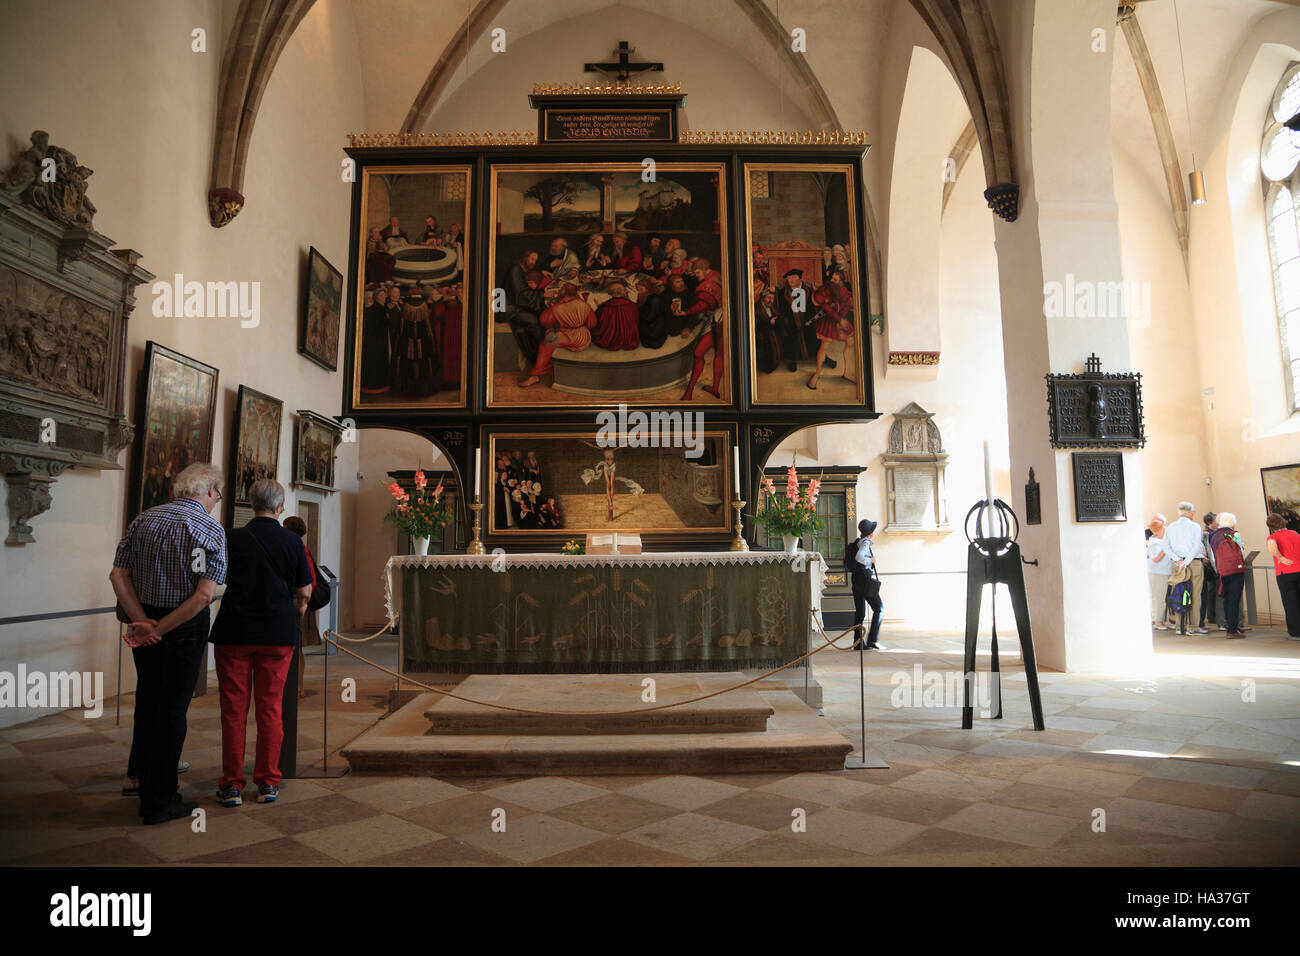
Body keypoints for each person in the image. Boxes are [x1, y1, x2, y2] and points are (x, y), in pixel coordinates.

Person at [110, 463, 227, 825]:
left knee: (147, 702)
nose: (216, 501)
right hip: (182, 626)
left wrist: (141, 622)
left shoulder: (143, 519)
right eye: (218, 495)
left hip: (146, 619)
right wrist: (159, 627)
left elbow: (118, 574)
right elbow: (203, 597)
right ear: (209, 491)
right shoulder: (208, 527)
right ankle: (160, 801)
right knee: (172, 711)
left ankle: (143, 781)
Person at [209, 480, 312, 807]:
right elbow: (305, 590)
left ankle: (232, 785)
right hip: (276, 632)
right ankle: (268, 782)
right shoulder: (292, 541)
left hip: (234, 631)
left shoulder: (231, 537)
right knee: (271, 709)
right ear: (280, 506)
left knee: (233, 711)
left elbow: (217, 578)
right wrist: (297, 607)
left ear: (250, 504)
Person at [284, 515, 323, 698]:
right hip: (296, 601)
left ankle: (298, 687)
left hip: (300, 603)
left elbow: (310, 581)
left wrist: (302, 602)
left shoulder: (300, 549)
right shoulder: (292, 547)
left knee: (297, 648)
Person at [1163, 502, 1208, 634]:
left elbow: (1166, 546)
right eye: (1193, 511)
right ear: (1189, 512)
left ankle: (1179, 626)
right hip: (1193, 563)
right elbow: (1196, 546)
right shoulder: (1195, 526)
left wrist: (1178, 561)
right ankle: (1193, 626)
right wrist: (1186, 561)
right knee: (1194, 595)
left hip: (1177, 564)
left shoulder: (1170, 526)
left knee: (1179, 593)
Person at [845, 519, 882, 650]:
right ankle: (872, 640)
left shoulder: (858, 542)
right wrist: (870, 560)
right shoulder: (865, 543)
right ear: (870, 533)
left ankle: (858, 642)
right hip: (865, 580)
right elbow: (859, 557)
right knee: (879, 608)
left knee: (860, 612)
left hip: (856, 580)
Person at [1210, 512, 1247, 639]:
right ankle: (1232, 630)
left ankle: (1231, 625)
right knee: (1234, 599)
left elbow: (1213, 556)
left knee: (1226, 599)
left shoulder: (1213, 536)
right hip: (1235, 571)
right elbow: (1240, 552)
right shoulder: (1234, 534)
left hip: (1222, 571)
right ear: (1232, 523)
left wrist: (1218, 569)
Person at [1265, 512, 1300, 639]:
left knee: (1290, 603)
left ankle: (1295, 633)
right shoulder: (1295, 534)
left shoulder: (1273, 536)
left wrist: (1280, 557)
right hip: (1299, 570)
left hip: (1285, 573)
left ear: (1270, 526)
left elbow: (1272, 545)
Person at [1146, 514, 1173, 631]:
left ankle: (1161, 619)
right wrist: (1166, 549)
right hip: (1158, 573)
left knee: (1159, 597)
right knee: (1159, 598)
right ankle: (1157, 620)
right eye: (1164, 529)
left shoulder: (1159, 542)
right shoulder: (1155, 543)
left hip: (1162, 572)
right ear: (1158, 531)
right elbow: (1155, 558)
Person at [1200, 512, 1219, 627]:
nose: (1218, 524)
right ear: (1209, 523)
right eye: (1216, 522)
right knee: (1212, 591)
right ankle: (1212, 615)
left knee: (1213, 590)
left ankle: (1212, 615)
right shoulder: (1205, 534)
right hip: (1209, 565)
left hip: (1212, 564)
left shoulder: (1212, 533)